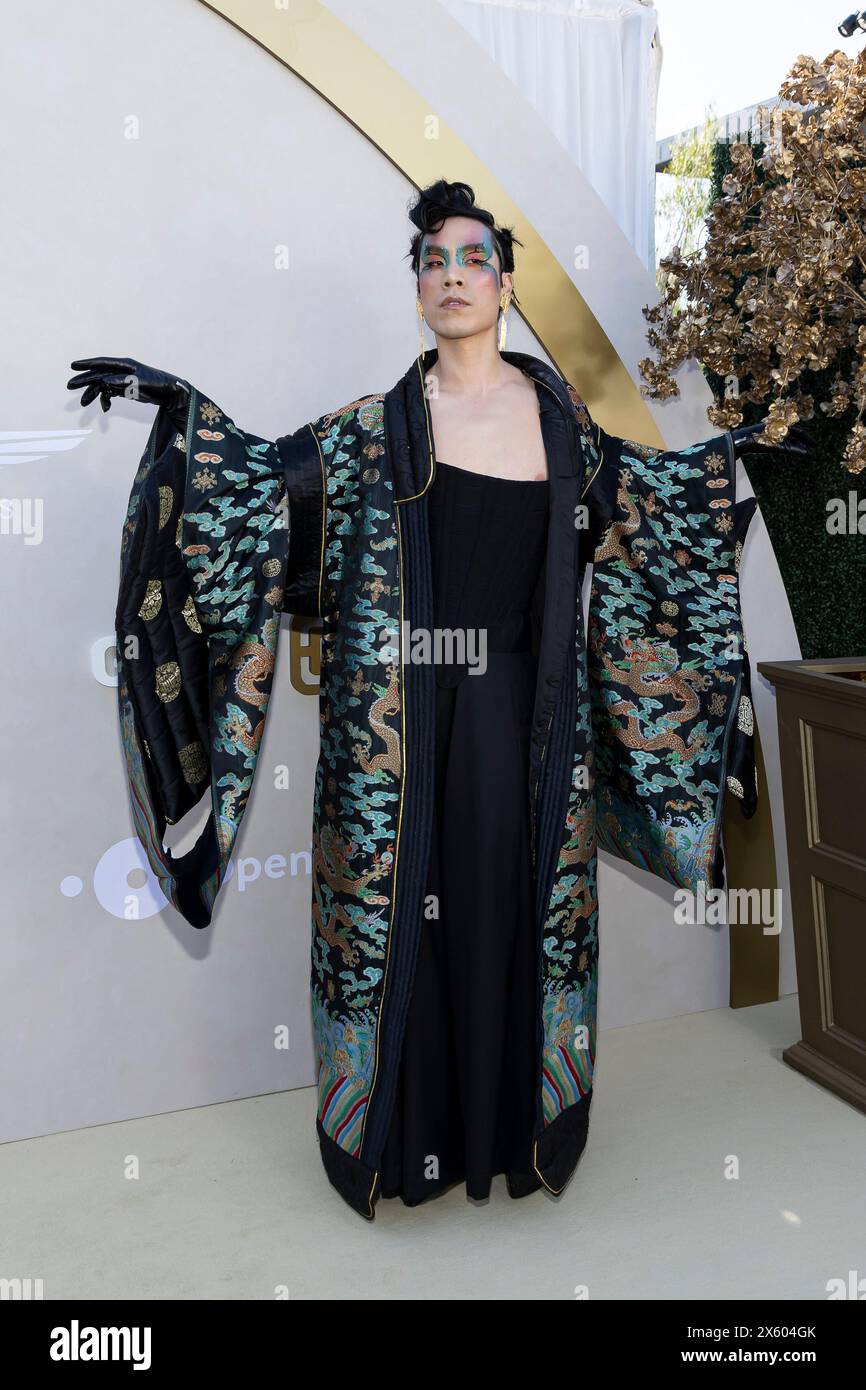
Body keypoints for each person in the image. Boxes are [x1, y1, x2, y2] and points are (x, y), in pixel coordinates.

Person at [67, 180, 766, 1221]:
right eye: (433, 261)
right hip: (390, 740)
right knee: (403, 930)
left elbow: (650, 518)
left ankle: (505, 1138)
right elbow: (255, 490)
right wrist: (179, 409)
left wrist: (732, 464)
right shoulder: (367, 434)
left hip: (530, 732)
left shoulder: (562, 426)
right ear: (417, 289)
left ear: (505, 282)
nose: (452, 276)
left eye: (472, 259)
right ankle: (407, 1149)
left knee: (509, 918)